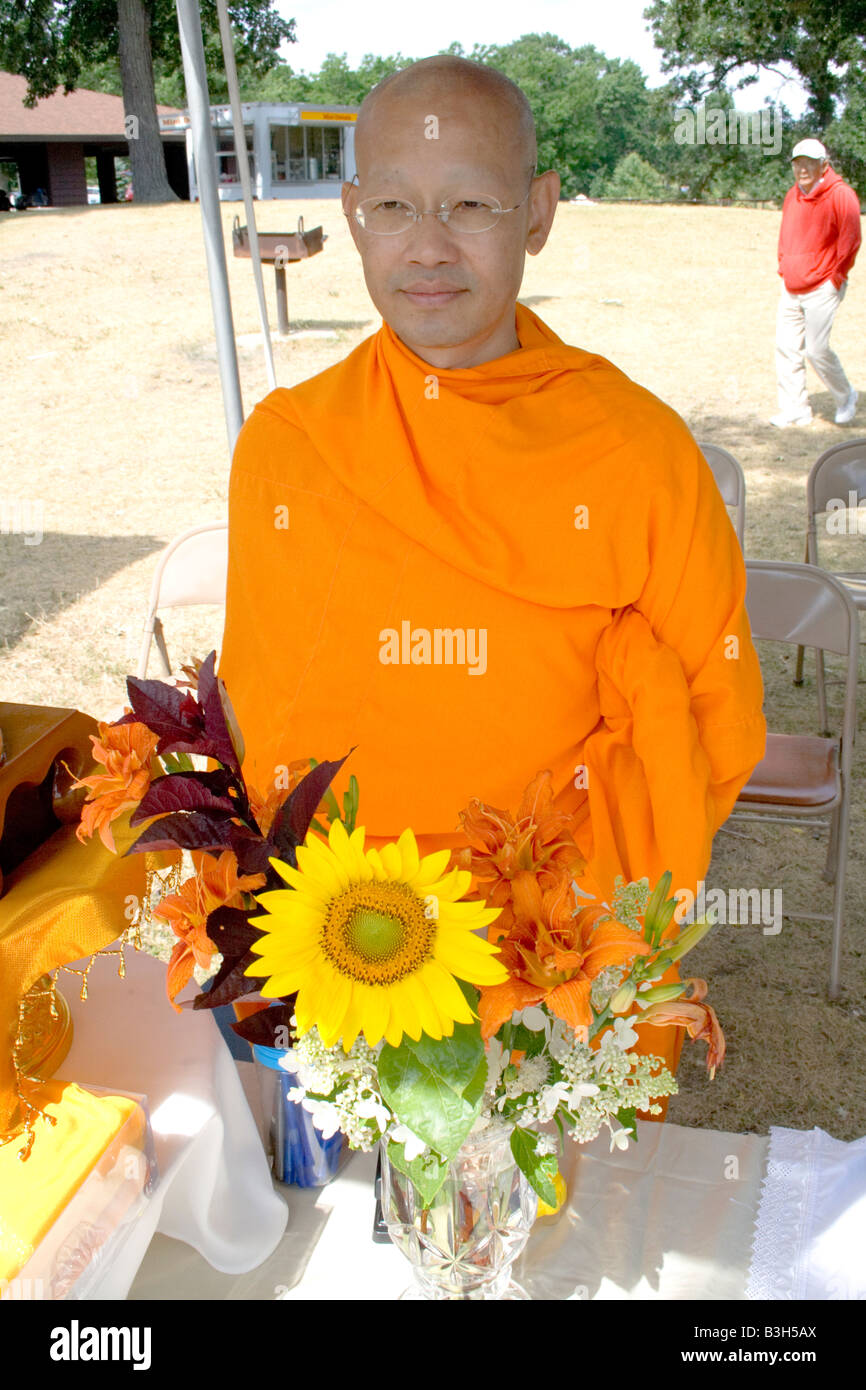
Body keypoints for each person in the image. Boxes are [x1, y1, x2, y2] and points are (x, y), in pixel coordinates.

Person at [219, 55, 766, 1096]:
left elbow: (711, 724)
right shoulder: (291, 444)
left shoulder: (634, 451)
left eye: (469, 203)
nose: (426, 247)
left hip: (553, 966)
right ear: (351, 215)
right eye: (392, 205)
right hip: (340, 953)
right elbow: (261, 715)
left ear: (537, 212)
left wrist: (568, 917)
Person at [772, 138, 861, 428]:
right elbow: (787, 235)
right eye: (797, 163)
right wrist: (785, 266)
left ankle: (846, 396)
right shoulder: (791, 195)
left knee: (816, 349)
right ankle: (795, 410)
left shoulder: (841, 195)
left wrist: (836, 277)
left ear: (824, 165)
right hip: (792, 285)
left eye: (809, 162)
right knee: (786, 348)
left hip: (823, 285)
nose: (803, 169)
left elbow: (850, 240)